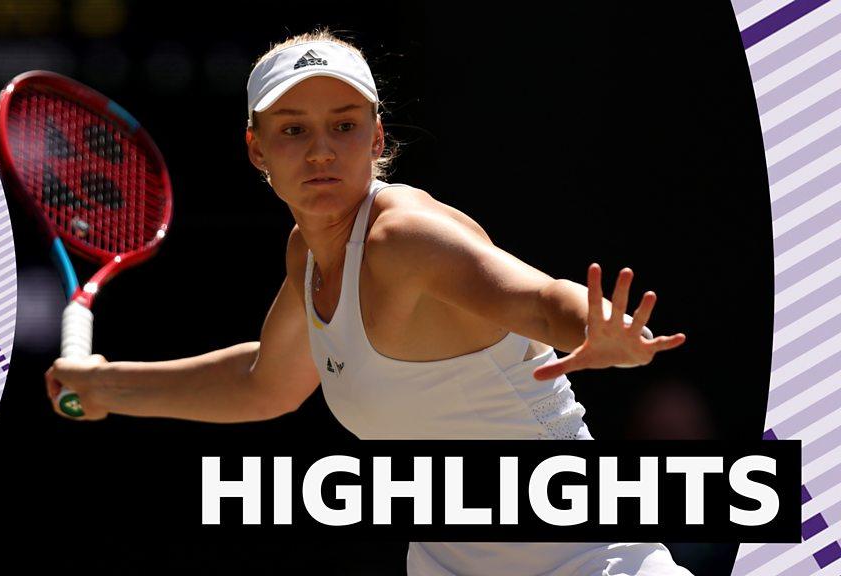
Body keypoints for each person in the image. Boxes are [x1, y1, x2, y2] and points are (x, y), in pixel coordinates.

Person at [45, 28, 692, 576]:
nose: (321, 149)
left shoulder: (403, 237)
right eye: (293, 129)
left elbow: (540, 299)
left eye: (344, 126)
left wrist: (595, 328)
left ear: (377, 139)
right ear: (257, 149)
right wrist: (107, 387)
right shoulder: (309, 252)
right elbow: (262, 383)